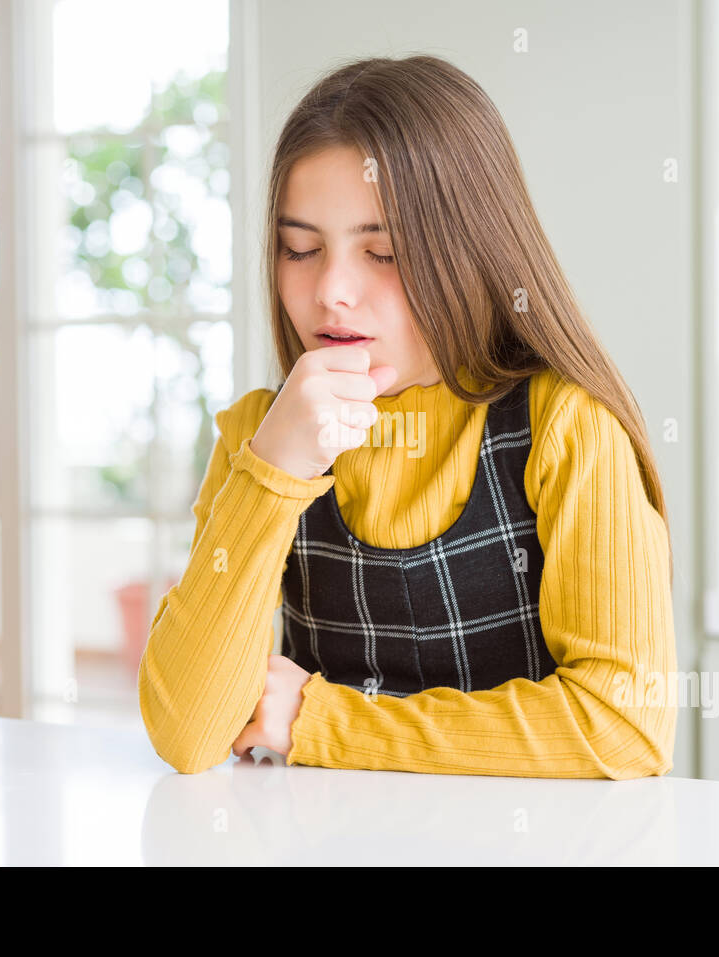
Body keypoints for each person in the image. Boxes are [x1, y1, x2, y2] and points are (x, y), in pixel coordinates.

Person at [138, 54, 677, 778]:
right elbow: (186, 733)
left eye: (382, 252)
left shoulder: (566, 426)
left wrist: (317, 720)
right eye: (301, 248)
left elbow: (624, 724)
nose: (331, 290)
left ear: (475, 251)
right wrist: (272, 471)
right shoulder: (261, 437)